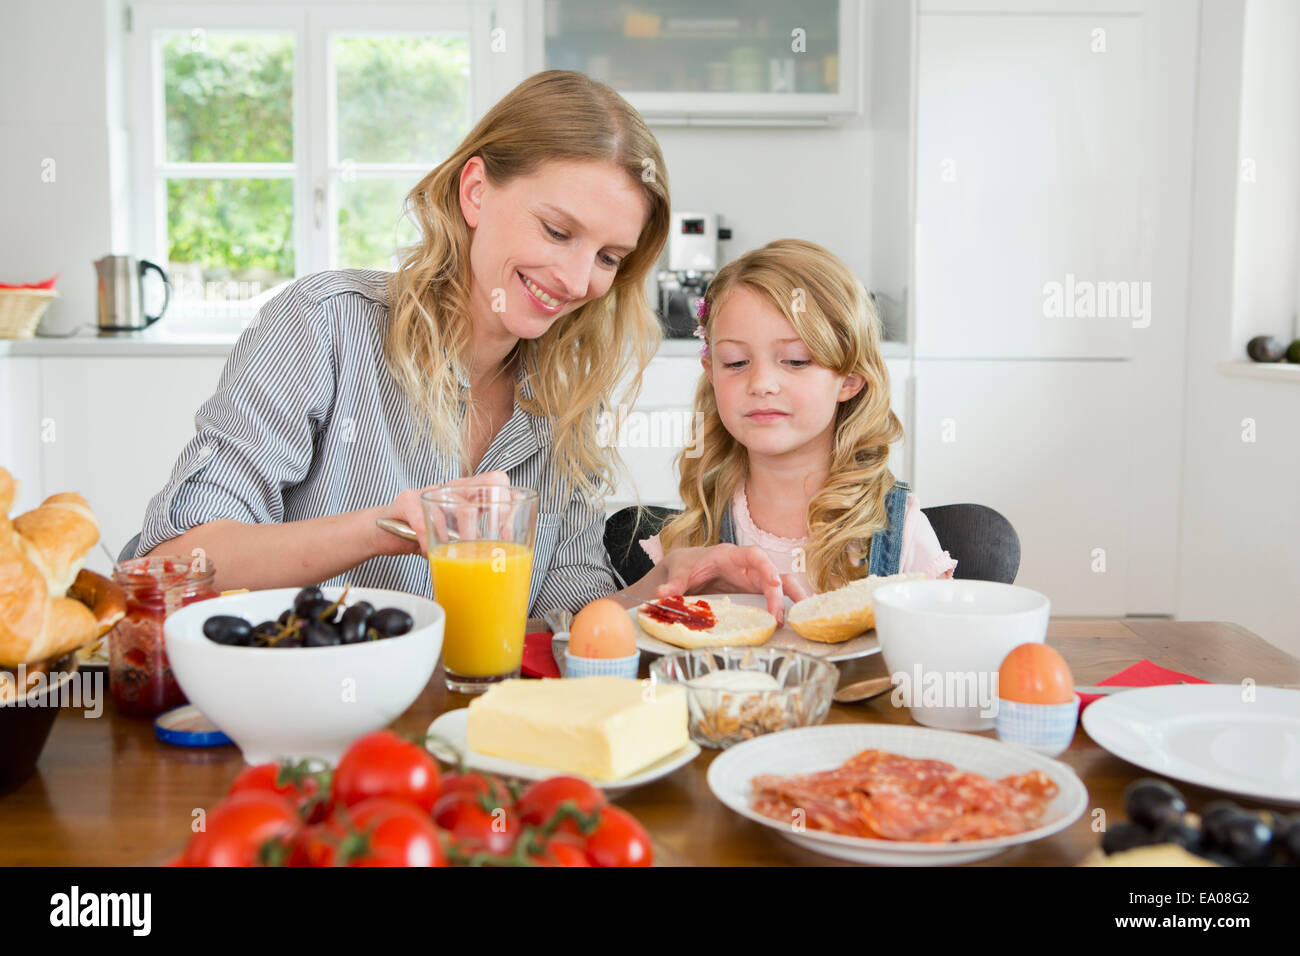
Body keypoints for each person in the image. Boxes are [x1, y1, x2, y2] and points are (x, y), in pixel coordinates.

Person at [134, 70, 786, 617]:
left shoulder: (563, 395)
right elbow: (177, 565)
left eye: (609, 256)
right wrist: (382, 529)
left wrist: (665, 585)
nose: (577, 278)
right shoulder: (325, 326)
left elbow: (563, 621)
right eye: (558, 231)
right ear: (476, 192)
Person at [637, 238, 956, 604]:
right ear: (711, 372)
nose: (760, 384)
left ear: (850, 378)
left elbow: (936, 644)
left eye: (795, 360)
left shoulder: (901, 530)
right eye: (736, 362)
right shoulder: (692, 535)